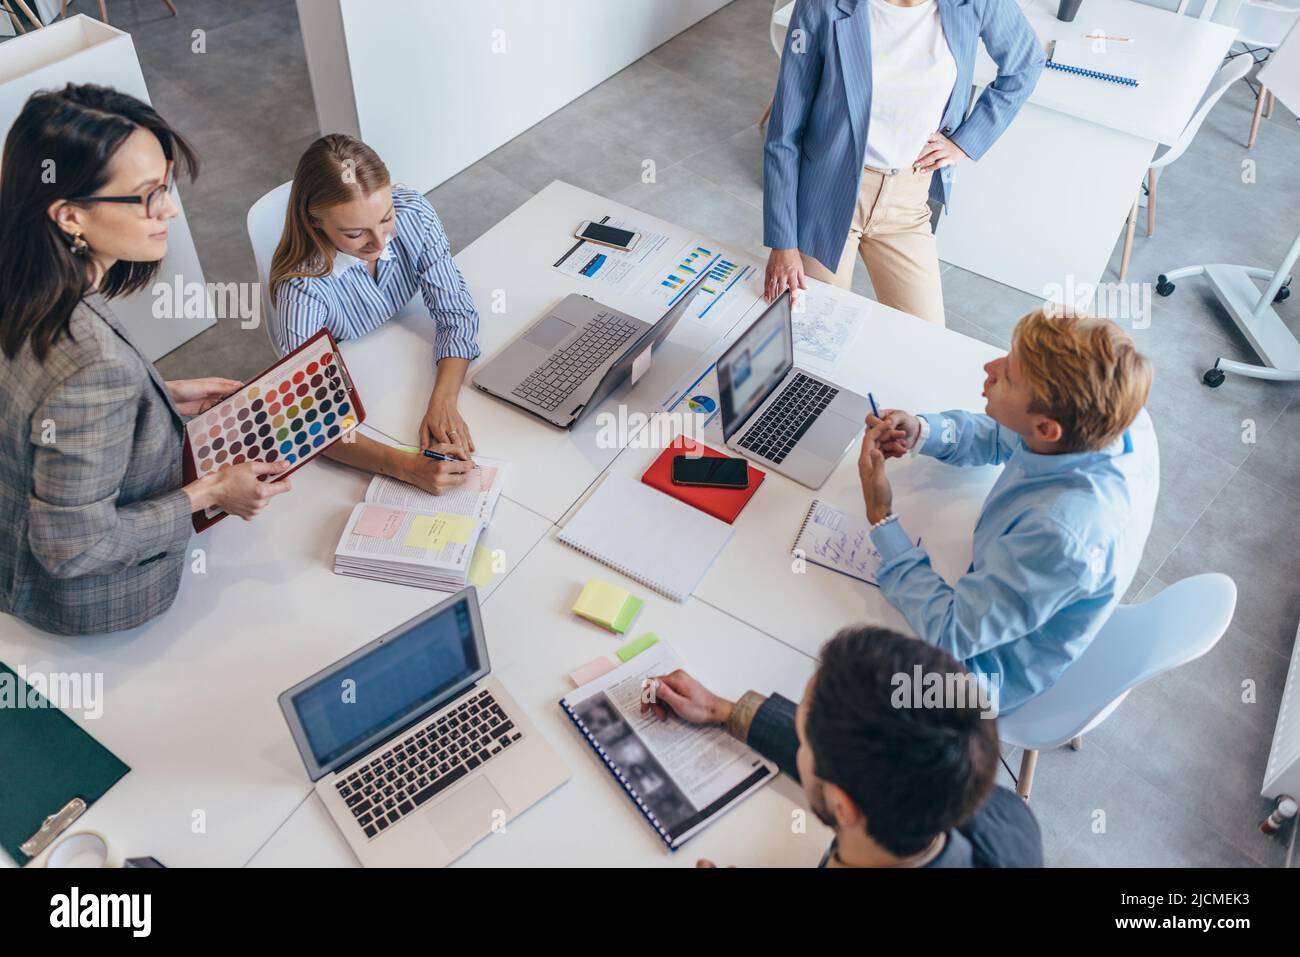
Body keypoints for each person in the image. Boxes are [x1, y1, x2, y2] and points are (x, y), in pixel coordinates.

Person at [0, 84, 291, 636]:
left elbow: (36, 405)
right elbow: (75, 547)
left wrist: (156, 394)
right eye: (147, 195)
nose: (171, 210)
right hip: (100, 604)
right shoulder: (91, 367)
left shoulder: (24, 283)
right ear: (69, 215)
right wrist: (212, 492)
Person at [858, 309, 1158, 713]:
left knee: (850, 684)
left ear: (1047, 428)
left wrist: (881, 516)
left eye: (1010, 376)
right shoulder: (1110, 416)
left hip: (988, 676)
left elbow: (950, 632)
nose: (990, 367)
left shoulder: (1060, 535)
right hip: (1013, 598)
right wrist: (922, 432)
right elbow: (1007, 436)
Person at [644, 626, 1043, 867]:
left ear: (843, 807)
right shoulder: (1003, 812)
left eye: (805, 740)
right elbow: (871, 761)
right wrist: (723, 710)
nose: (800, 742)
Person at [763, 0, 1044, 324]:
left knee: (926, 342)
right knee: (810, 331)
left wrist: (965, 142)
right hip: (827, 196)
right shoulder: (823, 5)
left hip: (907, 202)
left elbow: (1026, 63)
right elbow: (784, 133)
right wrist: (783, 243)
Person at [269, 134, 481, 497]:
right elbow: (311, 420)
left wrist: (443, 401)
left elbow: (457, 313)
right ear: (315, 222)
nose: (380, 244)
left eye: (385, 218)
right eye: (355, 233)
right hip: (360, 391)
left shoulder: (413, 212)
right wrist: (405, 466)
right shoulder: (302, 291)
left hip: (395, 363)